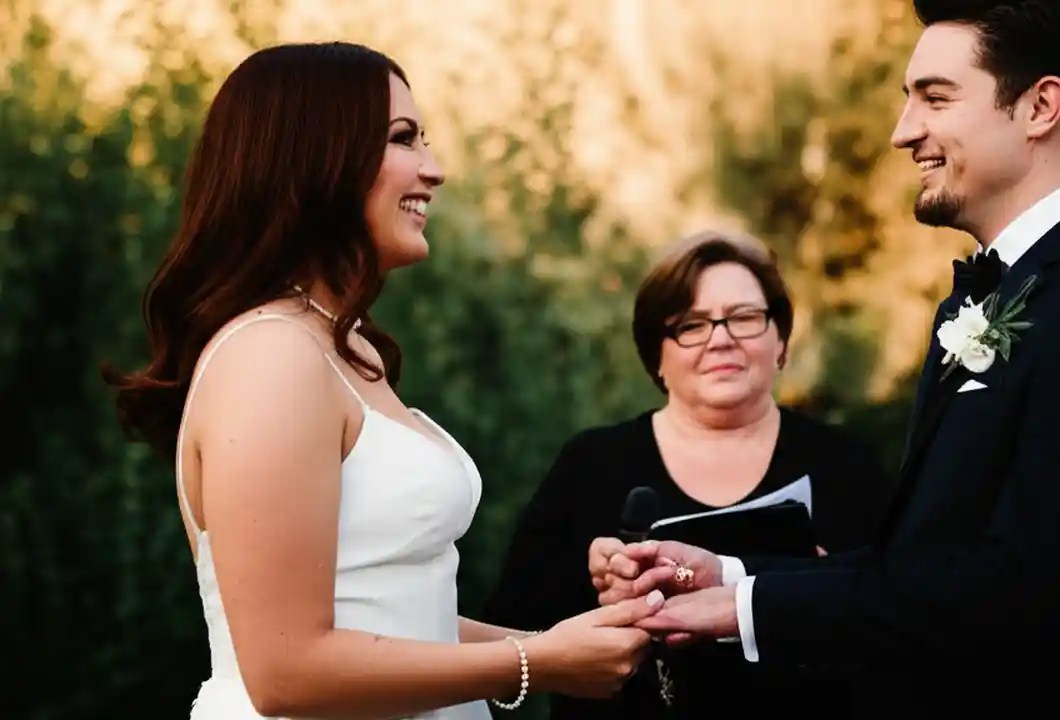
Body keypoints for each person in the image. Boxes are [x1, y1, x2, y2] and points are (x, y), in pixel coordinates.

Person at [590, 1, 1060, 718]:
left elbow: (1016, 593)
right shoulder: (991, 299)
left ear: (1042, 106)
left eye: (936, 98)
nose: (903, 132)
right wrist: (727, 576)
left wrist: (740, 608)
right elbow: (925, 563)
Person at [101, 41, 664, 720]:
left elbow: (401, 620)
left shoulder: (346, 346)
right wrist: (536, 662)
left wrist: (566, 649)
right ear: (314, 157)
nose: (435, 170)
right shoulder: (271, 357)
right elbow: (285, 671)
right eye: (404, 139)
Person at [480, 229, 892, 718]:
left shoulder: (846, 465)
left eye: (744, 318)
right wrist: (595, 592)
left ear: (780, 340)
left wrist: (818, 578)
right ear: (656, 354)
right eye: (691, 325)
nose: (721, 339)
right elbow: (510, 647)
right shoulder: (591, 464)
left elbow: (898, 628)